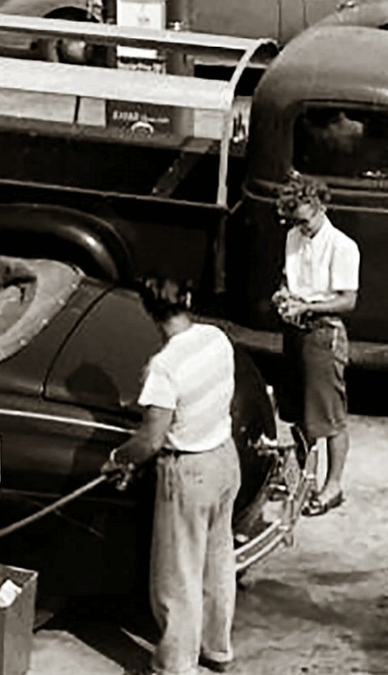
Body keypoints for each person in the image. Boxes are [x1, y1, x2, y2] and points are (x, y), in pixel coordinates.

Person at [104, 278, 239, 675]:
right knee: (217, 562)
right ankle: (217, 650)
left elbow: (149, 441)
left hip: (189, 473)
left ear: (149, 312)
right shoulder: (217, 338)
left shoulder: (164, 368)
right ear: (188, 300)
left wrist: (117, 457)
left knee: (177, 578)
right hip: (224, 459)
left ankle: (174, 667)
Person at [273, 174, 360, 517]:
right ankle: (302, 478)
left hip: (323, 333)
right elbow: (288, 276)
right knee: (296, 412)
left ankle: (333, 486)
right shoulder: (293, 237)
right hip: (294, 332)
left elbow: (347, 301)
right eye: (294, 221)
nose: (300, 227)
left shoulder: (343, 247)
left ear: (321, 206)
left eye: (305, 220)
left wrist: (307, 307)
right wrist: (283, 293)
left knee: (329, 417)